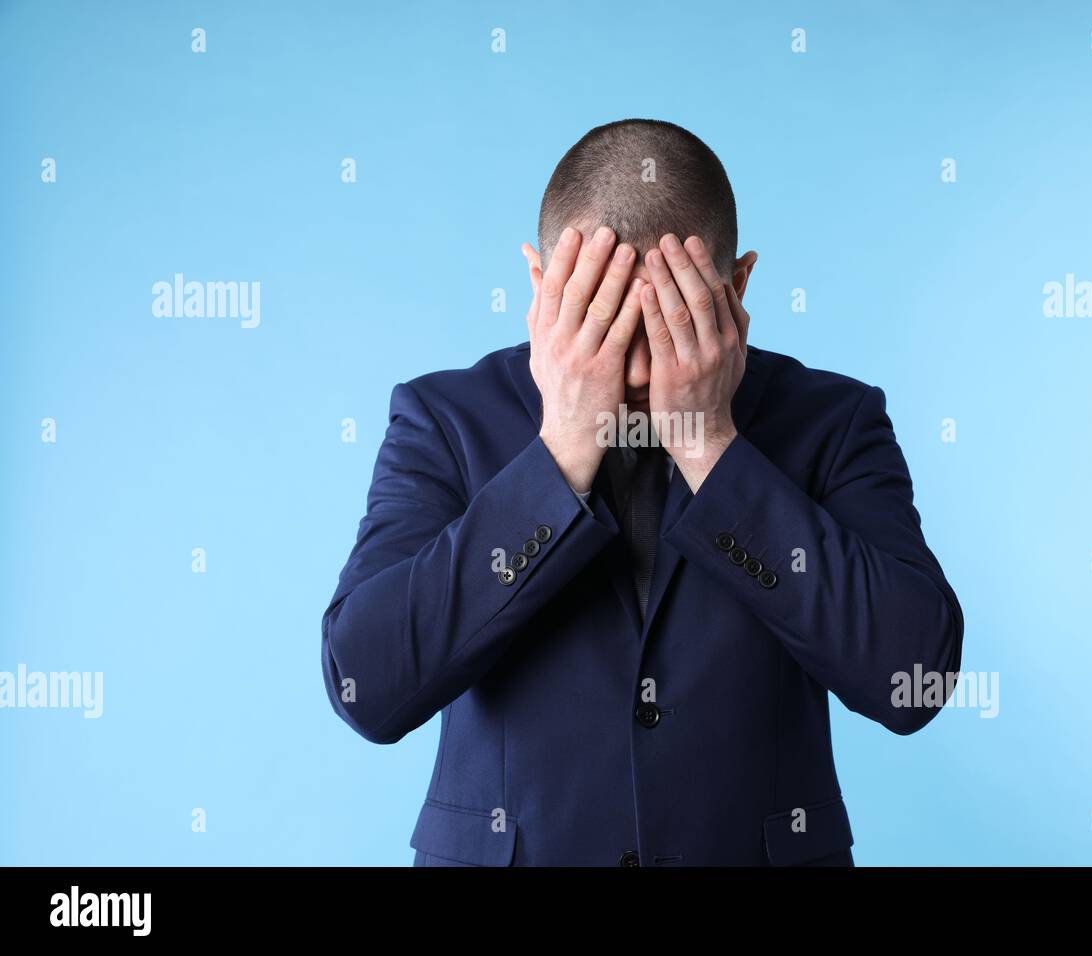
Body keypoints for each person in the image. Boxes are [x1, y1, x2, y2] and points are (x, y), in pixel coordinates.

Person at [321, 119, 964, 866]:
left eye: (665, 320)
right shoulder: (444, 418)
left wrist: (710, 445)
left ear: (739, 287)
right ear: (539, 287)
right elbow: (368, 689)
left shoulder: (833, 421)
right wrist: (561, 449)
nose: (629, 370)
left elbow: (911, 682)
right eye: (597, 313)